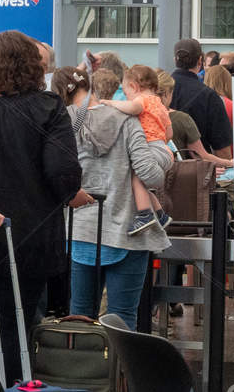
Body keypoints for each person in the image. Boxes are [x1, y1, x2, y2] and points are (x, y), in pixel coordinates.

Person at [0, 31, 84, 383]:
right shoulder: (47, 107)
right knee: (16, 329)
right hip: (28, 237)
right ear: (32, 66)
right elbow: (64, 173)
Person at [69, 90, 171, 330]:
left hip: (82, 230)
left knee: (79, 316)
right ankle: (119, 368)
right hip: (128, 232)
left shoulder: (71, 120)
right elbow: (151, 176)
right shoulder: (130, 121)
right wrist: (166, 155)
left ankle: (80, 366)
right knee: (122, 318)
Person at [114, 62, 175, 234]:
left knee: (136, 179)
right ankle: (161, 215)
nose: (126, 98)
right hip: (164, 150)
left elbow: (133, 108)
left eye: (126, 93)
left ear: (134, 86)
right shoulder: (160, 104)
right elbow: (169, 132)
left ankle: (144, 216)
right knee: (143, 186)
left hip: (151, 148)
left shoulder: (142, 100)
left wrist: (110, 103)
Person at [168, 38, 233, 160]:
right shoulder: (209, 96)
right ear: (200, 61)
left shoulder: (157, 90)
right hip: (198, 171)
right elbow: (224, 152)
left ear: (175, 60)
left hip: (162, 168)